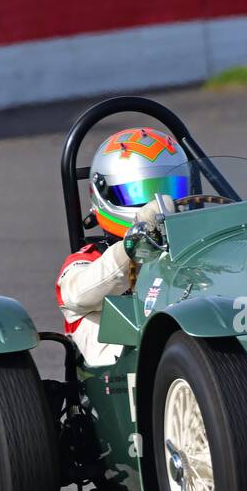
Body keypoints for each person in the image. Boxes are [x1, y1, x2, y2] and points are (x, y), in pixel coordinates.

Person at [56, 126, 189, 366]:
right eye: (139, 192)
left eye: (171, 190)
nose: (160, 204)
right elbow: (76, 295)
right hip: (126, 371)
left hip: (193, 352)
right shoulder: (87, 260)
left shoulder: (191, 249)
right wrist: (132, 246)